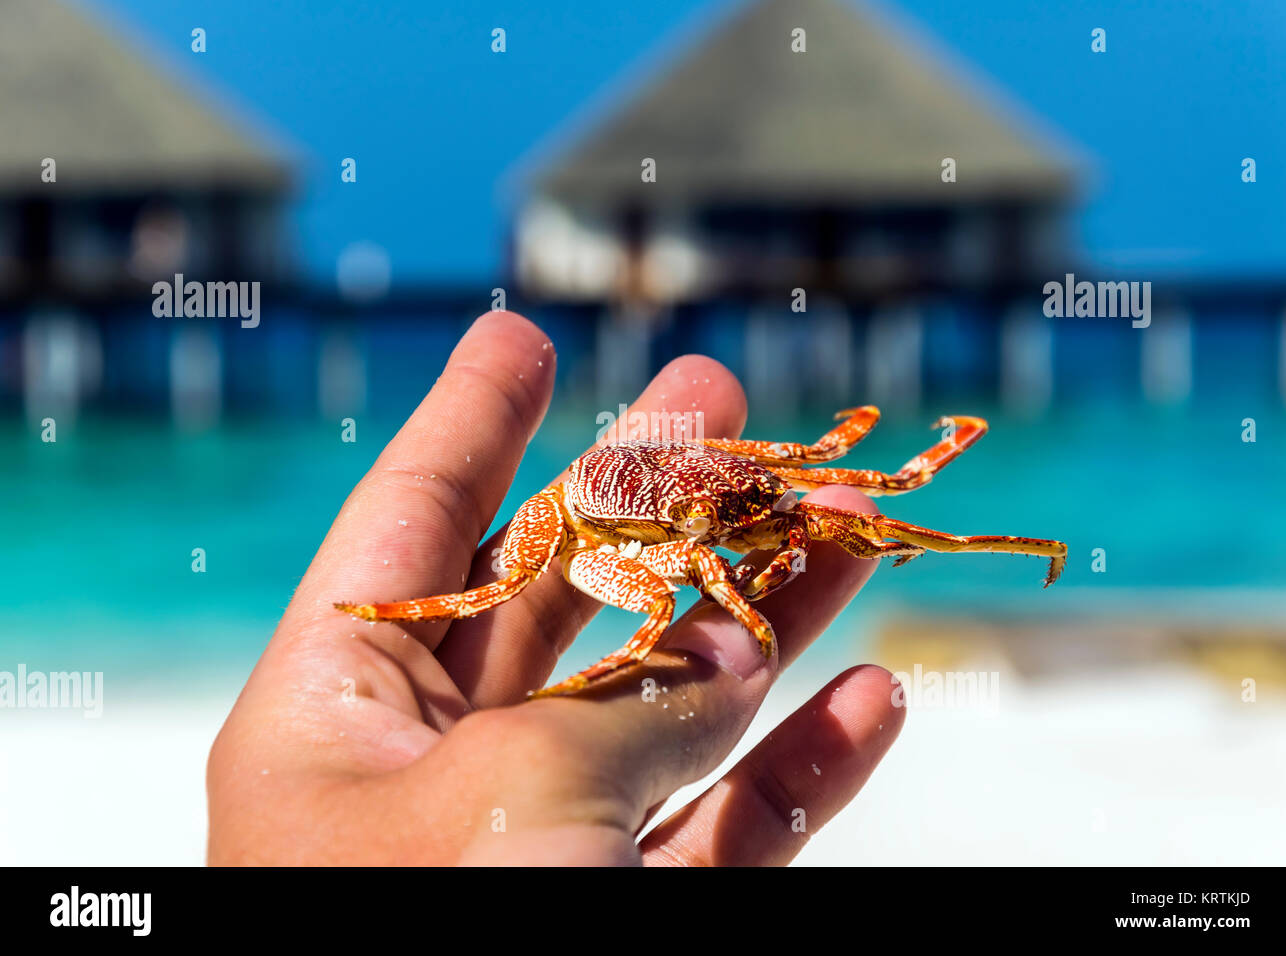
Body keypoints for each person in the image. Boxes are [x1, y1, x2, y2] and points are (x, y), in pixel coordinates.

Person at [207, 310, 903, 865]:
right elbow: (663, 579)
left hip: (674, 486)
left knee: (797, 490)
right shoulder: (599, 526)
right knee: (635, 595)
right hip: (579, 524)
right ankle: (589, 666)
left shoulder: (719, 474)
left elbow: (810, 460)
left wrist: (845, 451)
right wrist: (729, 621)